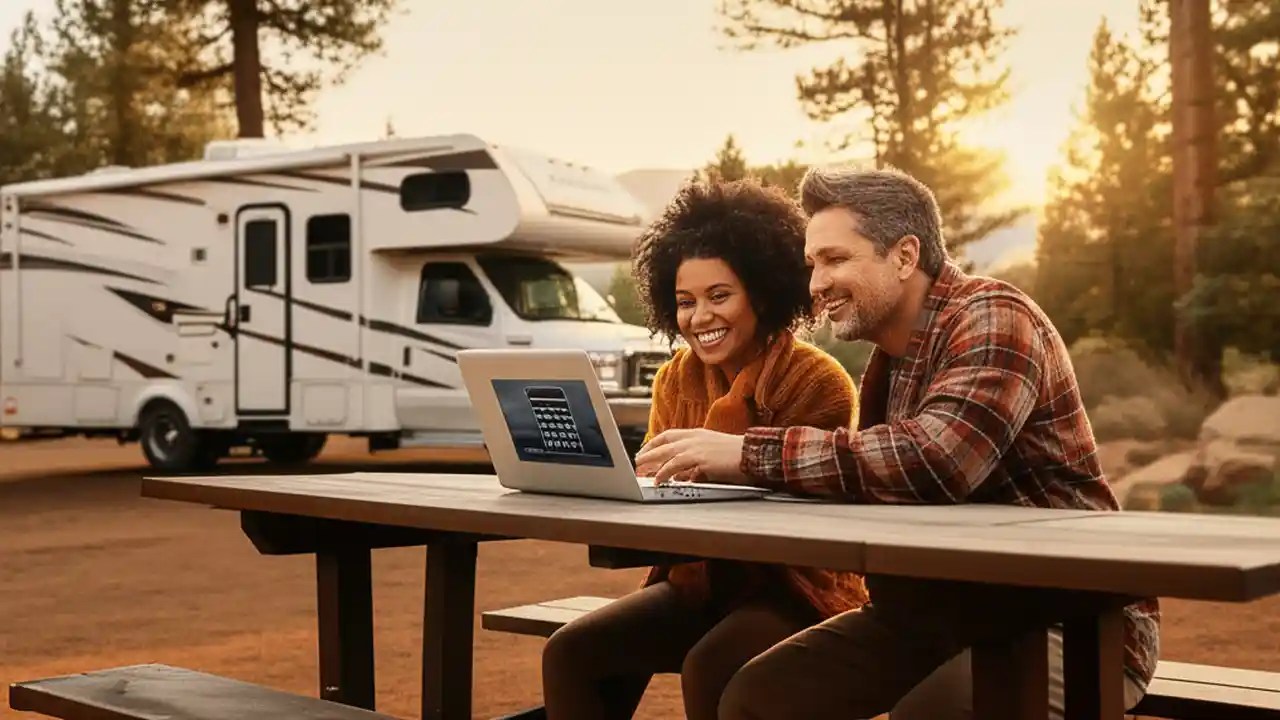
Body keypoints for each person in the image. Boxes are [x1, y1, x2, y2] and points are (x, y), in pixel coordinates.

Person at [635, 165, 1161, 719]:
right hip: (933, 617)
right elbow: (870, 482)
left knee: (927, 715)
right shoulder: (890, 362)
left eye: (836, 260)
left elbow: (936, 461)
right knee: (756, 697)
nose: (816, 285)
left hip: (1062, 620)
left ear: (905, 257)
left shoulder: (993, 316)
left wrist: (746, 453)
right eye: (812, 264)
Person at [539, 178, 869, 720]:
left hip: (796, 590)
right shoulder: (674, 379)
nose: (700, 318)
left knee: (710, 664)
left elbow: (809, 515)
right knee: (570, 652)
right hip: (698, 584)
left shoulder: (819, 382)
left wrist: (726, 436)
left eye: (720, 296)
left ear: (761, 294)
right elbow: (656, 477)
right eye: (685, 302)